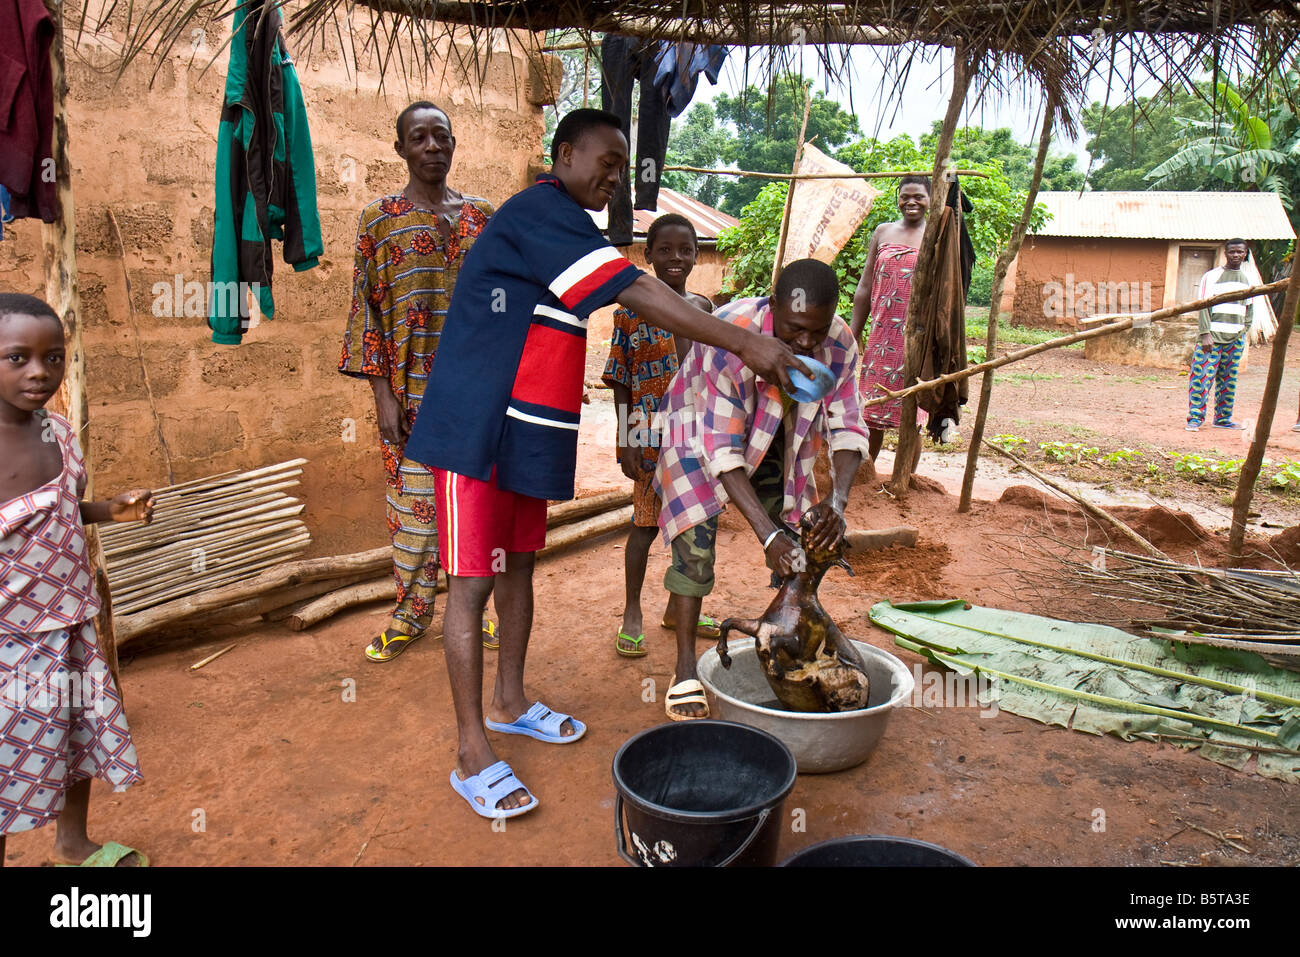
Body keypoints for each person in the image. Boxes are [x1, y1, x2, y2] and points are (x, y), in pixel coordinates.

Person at [401, 108, 803, 818]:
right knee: (469, 587)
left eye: (623, 169)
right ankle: (471, 749)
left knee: (518, 564)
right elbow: (636, 291)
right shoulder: (539, 210)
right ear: (563, 155)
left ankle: (509, 700)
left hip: (525, 431)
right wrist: (742, 343)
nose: (615, 178)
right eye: (606, 163)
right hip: (475, 427)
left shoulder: (571, 225)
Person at [654, 258, 870, 719]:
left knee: (800, 538)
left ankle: (794, 642)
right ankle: (686, 668)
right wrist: (766, 536)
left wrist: (836, 502)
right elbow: (723, 452)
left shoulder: (839, 342)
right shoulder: (729, 334)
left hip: (775, 432)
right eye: (794, 330)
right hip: (696, 428)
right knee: (695, 546)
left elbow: (849, 423)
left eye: (818, 329)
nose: (807, 343)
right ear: (772, 307)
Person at [338, 101, 497, 662]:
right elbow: (368, 311)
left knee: (476, 505)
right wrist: (381, 393)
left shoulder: (483, 217)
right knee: (414, 509)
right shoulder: (378, 219)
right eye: (419, 138)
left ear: (454, 144)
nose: (432, 146)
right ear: (400, 148)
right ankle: (410, 614)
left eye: (441, 136)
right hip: (411, 392)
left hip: (479, 396)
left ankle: (473, 609)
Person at [0, 293, 151, 867]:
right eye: (18, 358)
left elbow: (61, 507)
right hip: (9, 639)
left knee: (75, 735)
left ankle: (72, 844)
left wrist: (111, 510)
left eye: (53, 357)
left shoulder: (59, 433)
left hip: (71, 622)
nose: (40, 372)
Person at [601, 213, 722, 657]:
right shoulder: (630, 310)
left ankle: (678, 608)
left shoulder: (706, 309)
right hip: (650, 436)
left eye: (685, 250)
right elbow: (619, 378)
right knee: (645, 527)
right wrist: (628, 439)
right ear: (647, 254)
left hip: (696, 438)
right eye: (665, 250)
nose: (676, 258)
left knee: (695, 525)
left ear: (695, 254)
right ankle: (632, 612)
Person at [851, 175, 930, 470]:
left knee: (914, 413)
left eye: (919, 196)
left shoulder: (935, 236)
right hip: (882, 336)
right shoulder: (882, 232)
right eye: (905, 196)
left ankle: (906, 479)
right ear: (897, 198)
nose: (911, 202)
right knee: (871, 411)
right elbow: (864, 288)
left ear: (930, 199)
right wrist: (854, 332)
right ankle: (865, 475)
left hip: (917, 340)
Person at [1186, 238, 1265, 432]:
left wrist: (1243, 332)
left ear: (1245, 253)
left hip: (1235, 339)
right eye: (1232, 252)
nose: (1236, 255)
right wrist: (1205, 333)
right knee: (1201, 377)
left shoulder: (1250, 279)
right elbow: (1203, 306)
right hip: (1211, 338)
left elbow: (1249, 309)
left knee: (1228, 380)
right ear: (1225, 253)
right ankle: (1195, 418)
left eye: (1240, 252)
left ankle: (1223, 418)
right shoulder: (1211, 276)